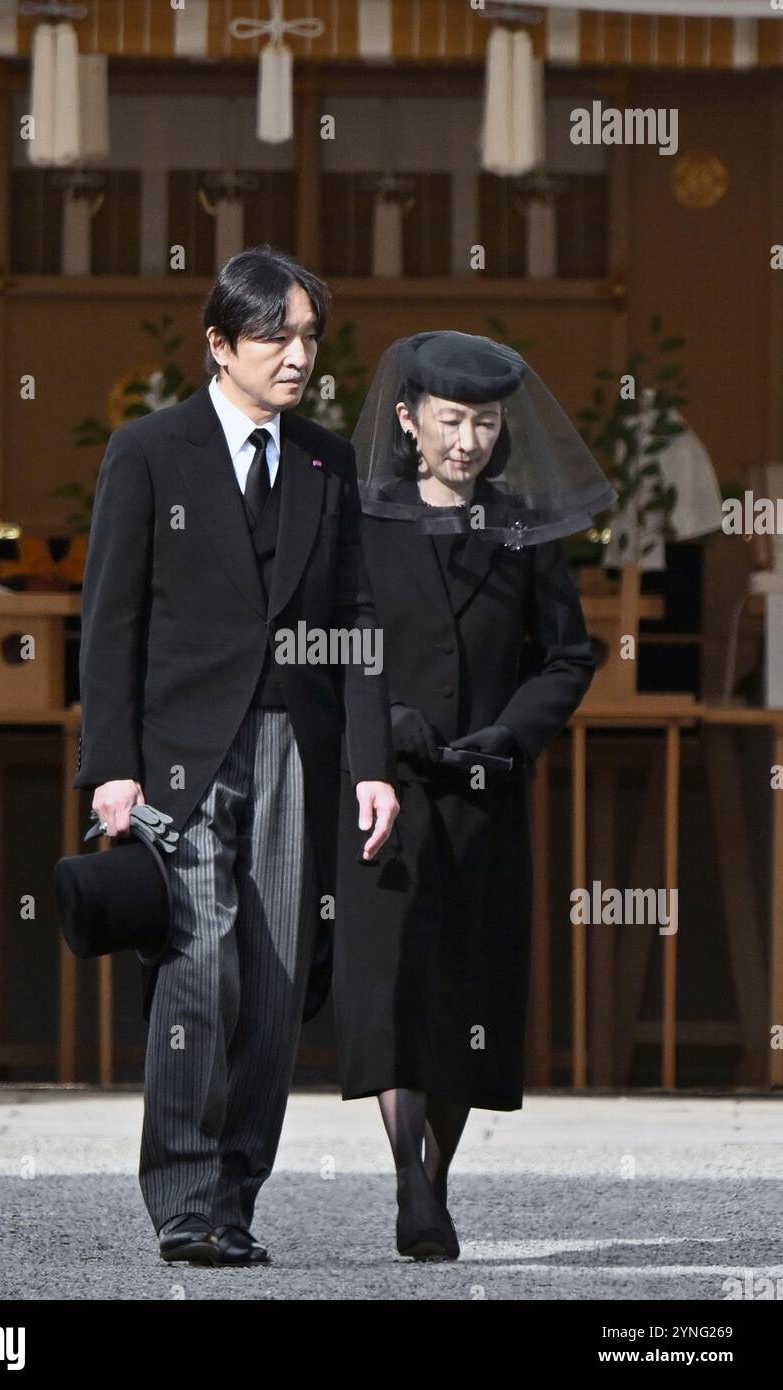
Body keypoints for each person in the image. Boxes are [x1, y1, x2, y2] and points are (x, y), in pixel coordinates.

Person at [73, 246, 399, 1266]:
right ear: (219, 344)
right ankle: (180, 1197)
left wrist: (372, 764)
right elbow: (109, 620)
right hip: (178, 755)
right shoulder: (149, 452)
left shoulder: (326, 460)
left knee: (273, 974)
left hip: (296, 750)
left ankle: (233, 1199)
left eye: (310, 337)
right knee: (198, 965)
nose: (299, 356)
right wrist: (110, 765)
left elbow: (355, 618)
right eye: (277, 336)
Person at [332, 331, 616, 1260]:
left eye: (486, 422)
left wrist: (512, 734)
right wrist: (386, 723)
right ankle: (411, 1184)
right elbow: (340, 644)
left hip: (486, 791)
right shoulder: (362, 519)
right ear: (408, 420)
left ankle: (435, 1177)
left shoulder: (522, 527)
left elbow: (571, 652)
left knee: (464, 992)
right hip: (387, 786)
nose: (468, 440)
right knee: (388, 988)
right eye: (451, 420)